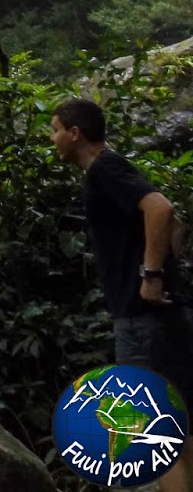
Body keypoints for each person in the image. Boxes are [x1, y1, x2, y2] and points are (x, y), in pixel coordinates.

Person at [52, 97, 193, 492]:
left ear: (75, 133)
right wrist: (166, 270)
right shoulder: (112, 166)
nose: (54, 140)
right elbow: (176, 223)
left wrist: (151, 275)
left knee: (154, 435)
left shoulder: (103, 168)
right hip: (164, 314)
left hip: (140, 315)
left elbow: (161, 210)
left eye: (56, 130)